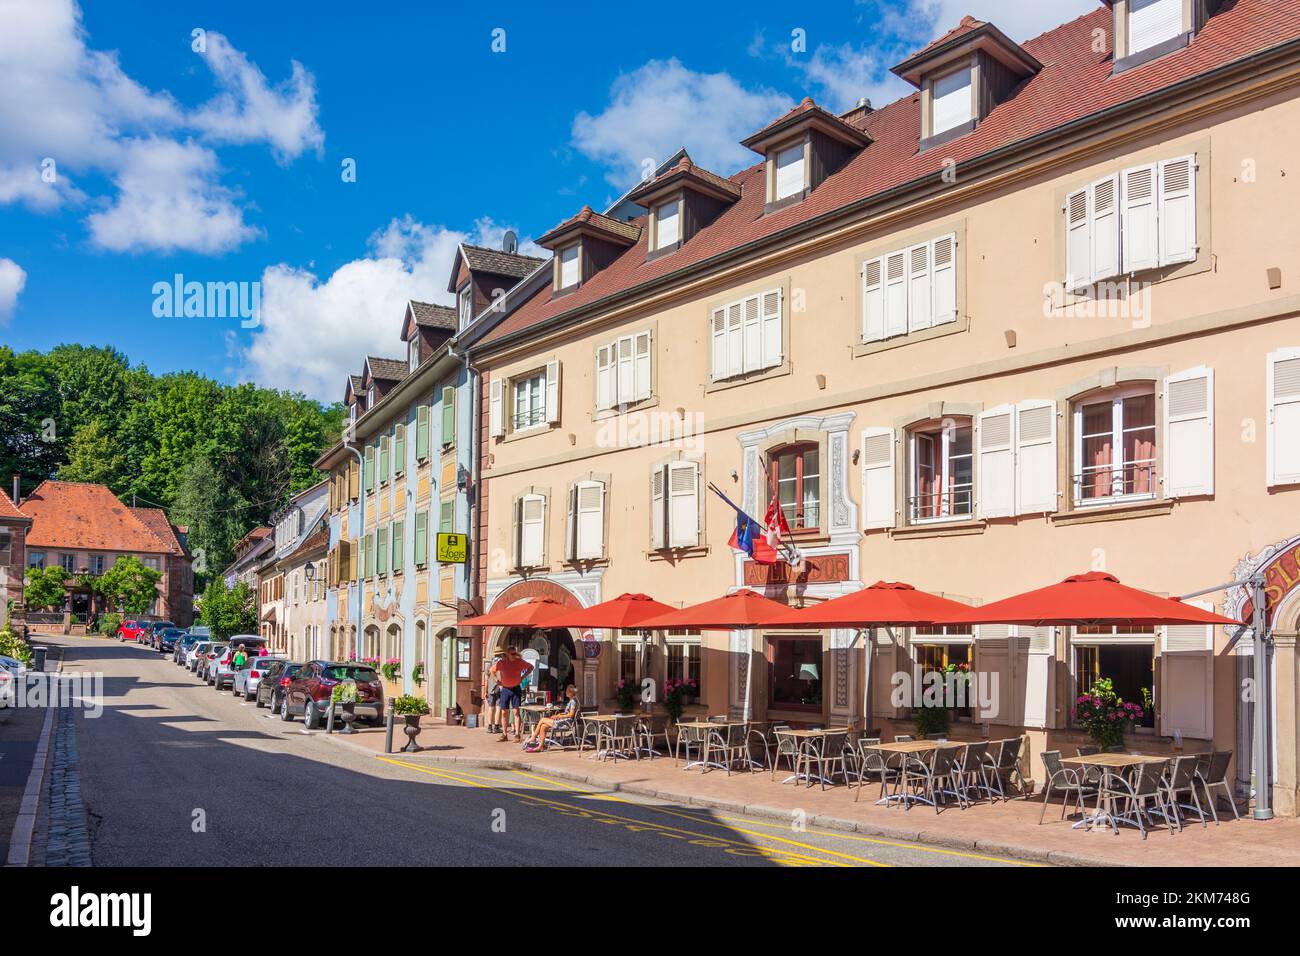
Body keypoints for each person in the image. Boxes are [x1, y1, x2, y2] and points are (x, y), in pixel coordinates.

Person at [489, 646, 533, 743]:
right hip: (505, 689)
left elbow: (531, 667)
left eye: (515, 653)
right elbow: (491, 670)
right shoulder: (502, 663)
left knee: (516, 712)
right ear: (508, 654)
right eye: (512, 654)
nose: (514, 655)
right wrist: (497, 680)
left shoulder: (519, 662)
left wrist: (523, 677)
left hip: (516, 688)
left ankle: (517, 734)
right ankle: (504, 734)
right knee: (504, 712)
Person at [525, 684, 578, 753]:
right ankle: (540, 747)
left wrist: (559, 716)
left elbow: (571, 715)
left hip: (565, 723)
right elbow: (568, 713)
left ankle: (533, 737)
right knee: (543, 727)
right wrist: (559, 714)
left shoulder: (573, 702)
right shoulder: (572, 701)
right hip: (564, 721)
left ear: (570, 693)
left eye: (567, 691)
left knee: (542, 720)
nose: (565, 693)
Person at [485, 654, 503, 734]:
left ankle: (489, 726)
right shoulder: (502, 664)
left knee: (491, 707)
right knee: (498, 707)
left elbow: (486, 679)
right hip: (500, 688)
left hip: (491, 689)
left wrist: (485, 691)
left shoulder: (489, 665)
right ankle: (496, 726)